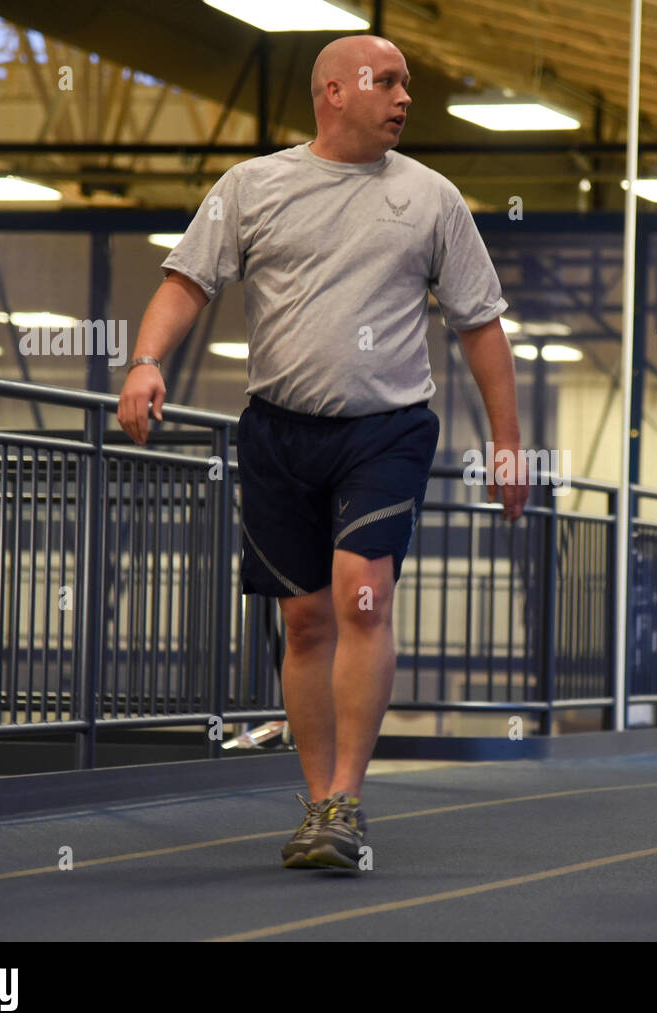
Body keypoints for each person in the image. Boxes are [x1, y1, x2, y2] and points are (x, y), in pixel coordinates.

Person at [117, 34, 529, 871]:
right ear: (334, 91)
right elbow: (185, 282)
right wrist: (146, 361)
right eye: (390, 82)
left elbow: (479, 323)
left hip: (386, 427)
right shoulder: (254, 186)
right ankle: (316, 806)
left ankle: (348, 794)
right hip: (279, 431)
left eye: (410, 83)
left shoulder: (431, 198)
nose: (406, 97)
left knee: (361, 593)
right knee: (302, 619)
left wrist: (509, 443)